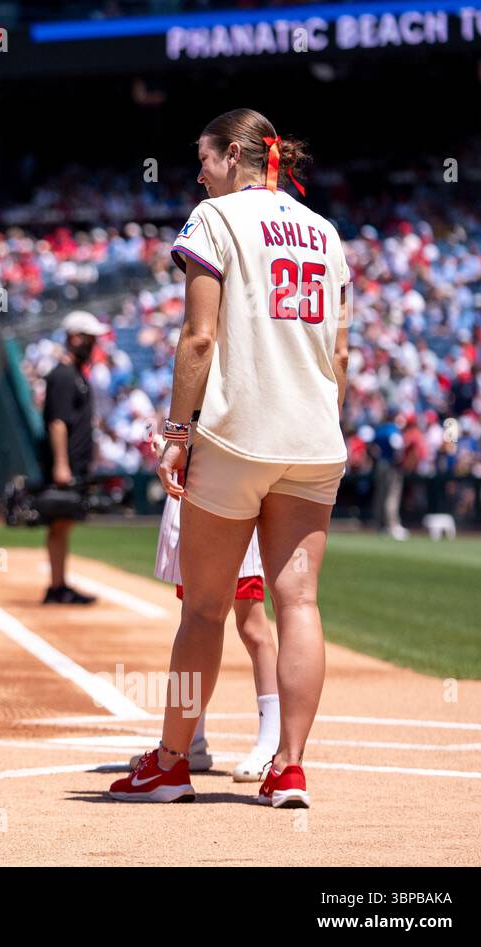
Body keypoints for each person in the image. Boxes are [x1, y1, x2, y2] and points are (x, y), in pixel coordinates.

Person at [110, 108, 350, 808]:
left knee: (206, 610)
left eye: (205, 157)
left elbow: (199, 338)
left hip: (237, 433)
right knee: (298, 601)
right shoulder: (326, 233)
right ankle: (290, 768)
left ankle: (172, 762)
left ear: (234, 156)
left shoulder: (213, 219)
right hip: (312, 439)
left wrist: (177, 432)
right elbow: (338, 355)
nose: (198, 170)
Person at [129, 472, 281, 782]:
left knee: (252, 626)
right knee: (194, 622)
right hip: (194, 499)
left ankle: (271, 744)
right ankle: (191, 742)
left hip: (229, 498)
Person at [40, 311, 106, 605]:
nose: (93, 345)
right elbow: (57, 423)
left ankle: (60, 583)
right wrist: (61, 465)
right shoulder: (63, 376)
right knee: (59, 523)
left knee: (65, 523)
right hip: (65, 463)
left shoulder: (77, 374)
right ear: (75, 337)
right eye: (90, 339)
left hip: (76, 461)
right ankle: (56, 586)